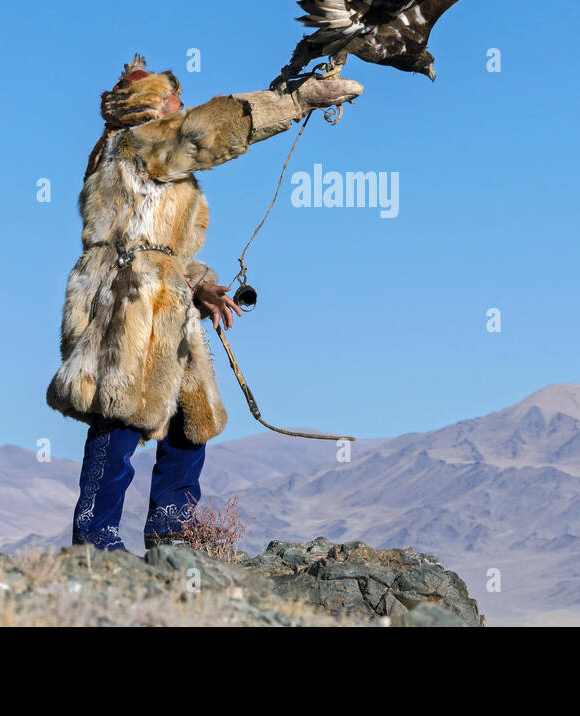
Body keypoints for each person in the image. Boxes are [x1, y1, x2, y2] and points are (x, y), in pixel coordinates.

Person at [46, 55, 362, 550]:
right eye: (174, 99)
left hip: (167, 299)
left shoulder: (152, 160)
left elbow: (158, 246)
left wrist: (201, 286)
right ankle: (94, 538)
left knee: (189, 419)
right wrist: (298, 100)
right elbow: (207, 132)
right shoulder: (134, 145)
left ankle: (174, 531)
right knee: (122, 412)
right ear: (151, 109)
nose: (183, 106)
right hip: (128, 301)